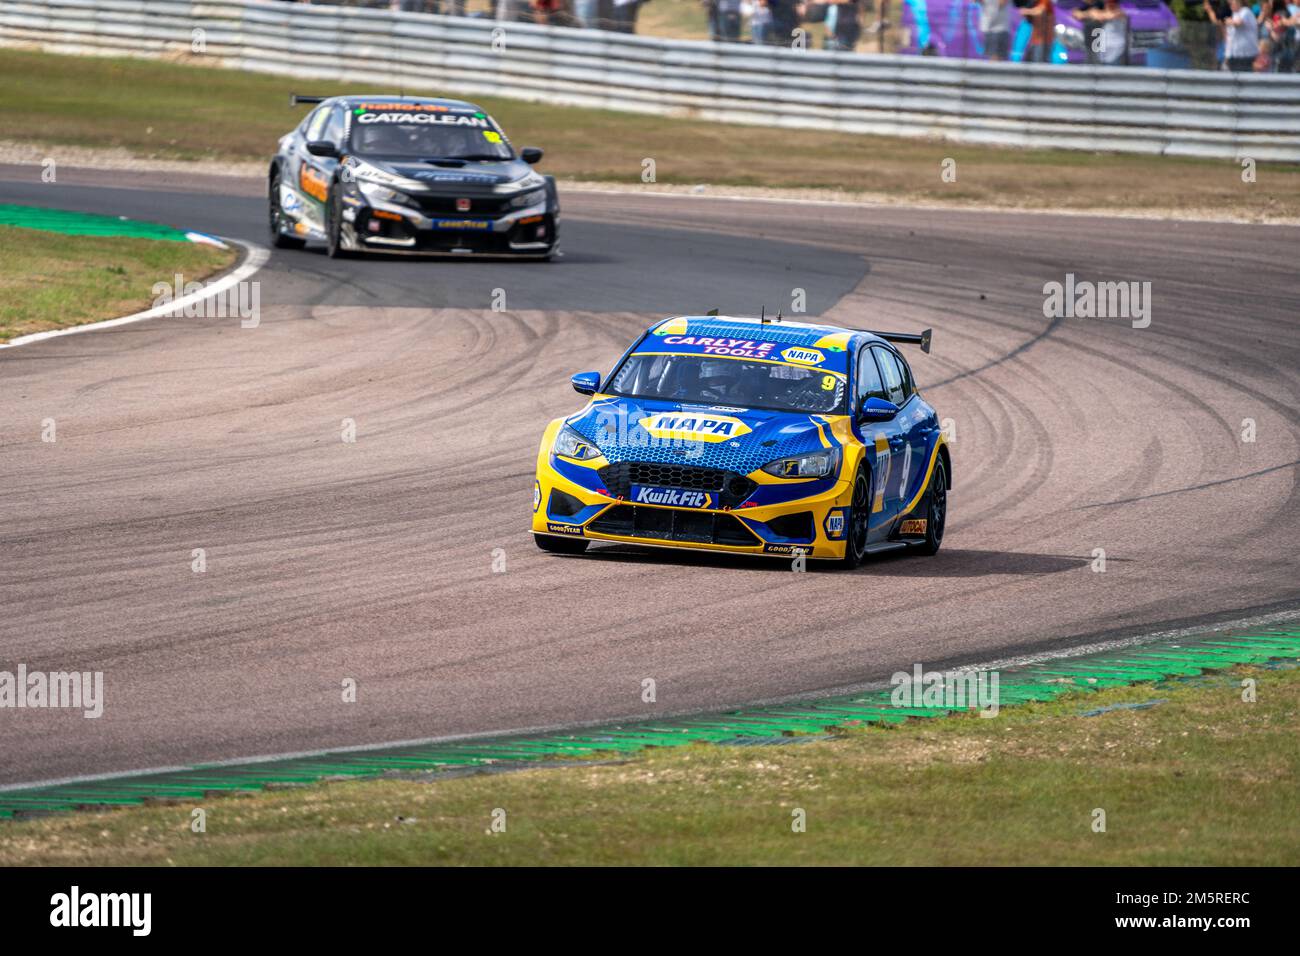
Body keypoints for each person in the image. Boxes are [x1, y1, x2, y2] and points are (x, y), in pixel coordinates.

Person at [1205, 0, 1258, 71]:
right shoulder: (1235, 14)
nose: (1230, 5)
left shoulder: (1245, 11)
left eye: (1232, 3)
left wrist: (1230, 22)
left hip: (1245, 55)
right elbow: (1230, 37)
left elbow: (1239, 23)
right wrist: (1227, 54)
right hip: (1234, 55)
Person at [1077, 0, 1129, 65]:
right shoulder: (1100, 11)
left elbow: (1108, 16)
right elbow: (1077, 13)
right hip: (1102, 52)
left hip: (1117, 53)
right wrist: (1089, 13)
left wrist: (1093, 14)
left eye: (1113, 2)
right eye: (1108, 2)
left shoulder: (1120, 13)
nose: (1110, 4)